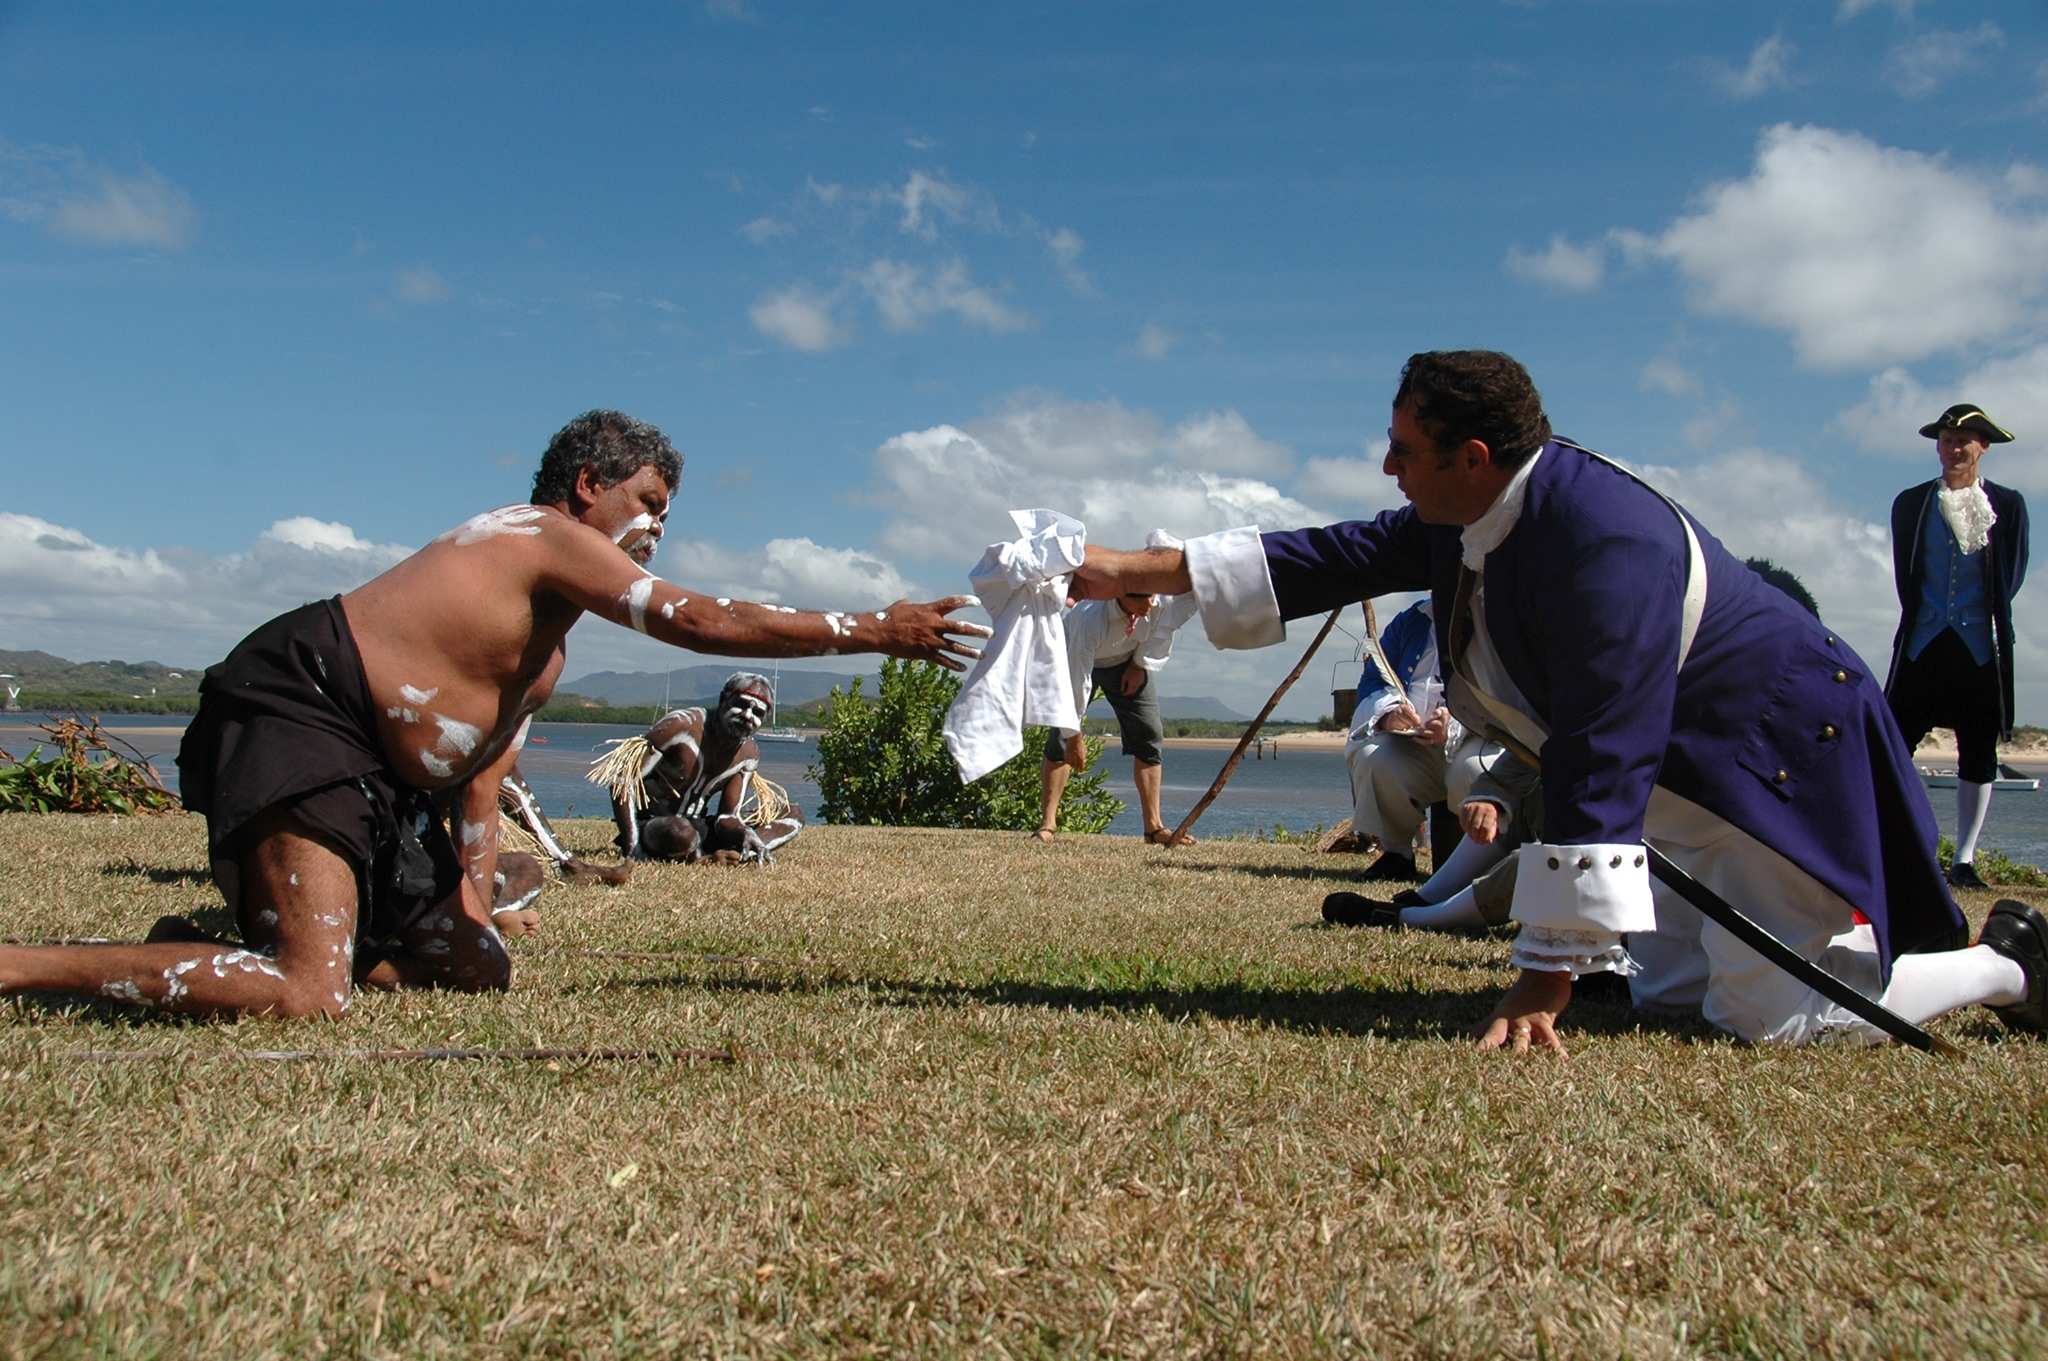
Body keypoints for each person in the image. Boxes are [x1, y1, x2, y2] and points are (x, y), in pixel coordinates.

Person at [1071, 350, 2048, 1055]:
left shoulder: (1604, 546)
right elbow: (1337, 555)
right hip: (1679, 788)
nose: (1387, 468)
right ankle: (1839, 951)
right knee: (1675, 997)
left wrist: (1544, 972)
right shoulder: (1475, 511)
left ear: (1475, 454)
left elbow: (1601, 746)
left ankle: (2002, 960)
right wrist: (1128, 566)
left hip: (1770, 754)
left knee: (1770, 1018)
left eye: (1403, 448)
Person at [0, 410, 988, 1018]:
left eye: (668, 510)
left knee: (474, 971)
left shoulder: (544, 652)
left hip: (374, 781)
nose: (655, 526)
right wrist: (874, 627)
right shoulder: (533, 535)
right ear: (586, 485)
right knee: (311, 991)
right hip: (299, 708)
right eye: (645, 500)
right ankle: (19, 966)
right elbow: (704, 620)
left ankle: (218, 935)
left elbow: (477, 784)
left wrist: (470, 905)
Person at [1885, 404, 2029, 891]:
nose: (1955, 447)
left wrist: (1977, 614)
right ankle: (1897, 846)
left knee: (1977, 751)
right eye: (1947, 439)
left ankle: (1963, 859)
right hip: (1923, 640)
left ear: (1982, 447)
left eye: (1965, 440)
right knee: (1891, 743)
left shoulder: (2007, 505)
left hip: (1977, 644)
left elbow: (2012, 573)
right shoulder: (1910, 503)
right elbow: (1906, 570)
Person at [1035, 587, 1201, 845]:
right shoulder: (1089, 618)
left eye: (1151, 595)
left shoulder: (1162, 601)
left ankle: (1154, 829)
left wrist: (1138, 665)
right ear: (1120, 596)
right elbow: (1075, 679)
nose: (1149, 603)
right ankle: (1047, 825)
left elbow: (1163, 629)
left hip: (1128, 659)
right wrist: (1074, 735)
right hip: (1073, 659)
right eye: (1141, 598)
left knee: (1149, 735)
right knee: (1061, 739)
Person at [608, 672, 804, 864]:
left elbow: (727, 817)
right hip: (655, 826)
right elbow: (622, 781)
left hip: (700, 827)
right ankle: (706, 858)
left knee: (793, 814)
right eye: (741, 705)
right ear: (723, 699)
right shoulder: (680, 726)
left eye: (757, 713)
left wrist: (746, 833)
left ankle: (750, 851)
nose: (747, 715)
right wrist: (633, 844)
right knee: (681, 831)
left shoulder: (748, 753)